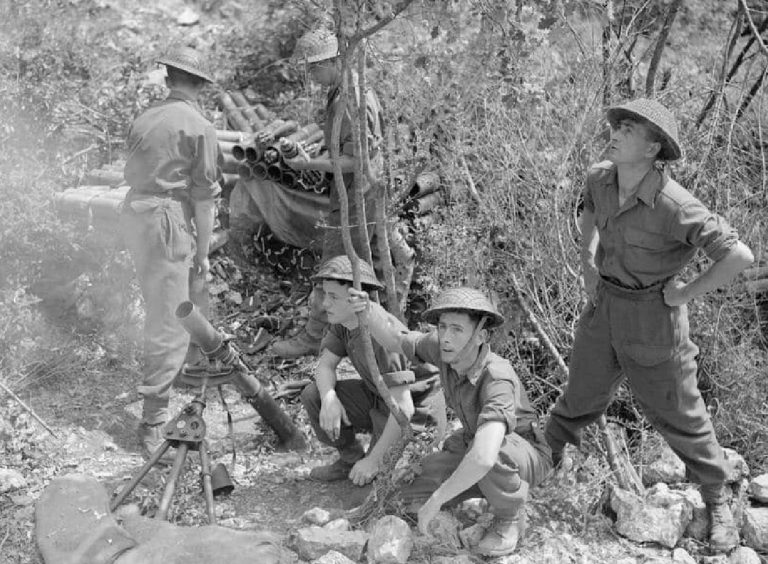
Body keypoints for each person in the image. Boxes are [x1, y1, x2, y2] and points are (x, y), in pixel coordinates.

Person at [543, 98, 754, 552]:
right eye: (616, 124)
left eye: (628, 129)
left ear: (653, 147)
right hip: (605, 306)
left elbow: (738, 255)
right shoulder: (601, 176)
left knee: (679, 412)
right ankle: (542, 461)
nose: (615, 133)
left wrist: (683, 293)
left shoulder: (675, 205)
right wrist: (586, 262)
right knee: (579, 395)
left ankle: (717, 501)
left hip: (653, 318)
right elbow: (590, 214)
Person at [349, 286, 552, 557]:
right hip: (472, 444)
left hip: (521, 454)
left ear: (481, 336)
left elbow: (484, 456)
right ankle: (482, 493)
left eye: (456, 329)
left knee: (493, 453)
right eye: (442, 327)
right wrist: (368, 309)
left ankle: (509, 517)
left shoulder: (497, 377)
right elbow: (396, 338)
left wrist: (437, 499)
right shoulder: (444, 349)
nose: (445, 336)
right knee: (405, 490)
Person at [121, 45, 220, 460]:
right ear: (199, 85)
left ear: (169, 79)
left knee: (160, 305)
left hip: (136, 216)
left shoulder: (145, 117)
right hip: (166, 221)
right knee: (170, 319)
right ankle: (153, 420)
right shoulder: (199, 126)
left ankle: (175, 382)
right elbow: (203, 198)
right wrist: (203, 250)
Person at [271, 28, 384, 358]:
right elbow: (341, 141)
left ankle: (316, 336)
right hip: (352, 194)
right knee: (358, 270)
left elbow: (356, 160)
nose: (312, 77)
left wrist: (307, 166)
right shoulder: (341, 92)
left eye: (314, 69)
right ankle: (360, 338)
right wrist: (310, 150)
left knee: (335, 268)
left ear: (334, 62)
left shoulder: (352, 98)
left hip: (357, 197)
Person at [300, 255, 442, 485]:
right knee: (313, 395)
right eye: (325, 294)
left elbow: (404, 407)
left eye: (333, 296)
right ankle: (350, 458)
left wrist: (374, 460)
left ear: (356, 299)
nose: (325, 304)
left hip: (414, 412)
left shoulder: (380, 334)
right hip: (380, 398)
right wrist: (329, 398)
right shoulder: (343, 322)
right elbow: (325, 365)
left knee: (374, 487)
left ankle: (375, 460)